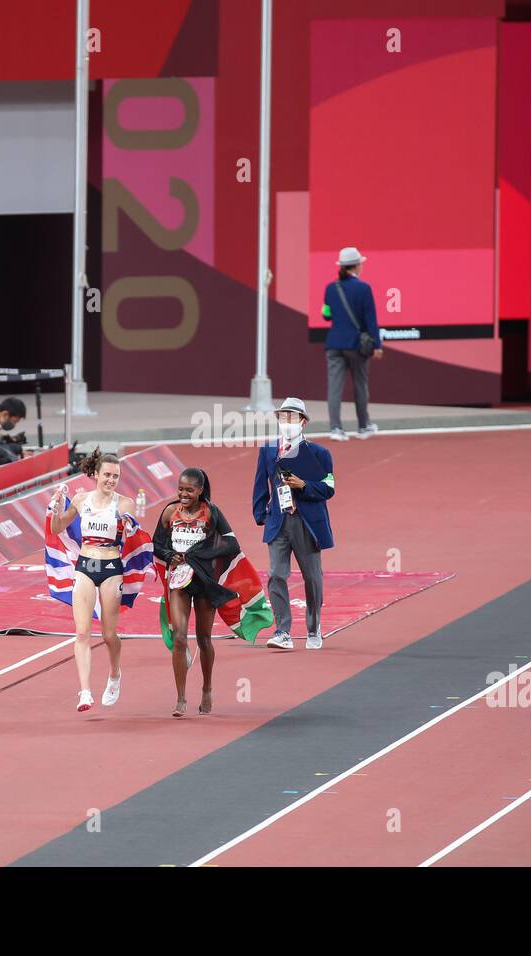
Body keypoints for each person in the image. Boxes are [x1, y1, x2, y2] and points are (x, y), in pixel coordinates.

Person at [152, 467, 271, 717]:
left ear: (200, 490)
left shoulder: (212, 513)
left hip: (205, 581)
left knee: (204, 638)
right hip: (179, 582)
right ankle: (181, 698)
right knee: (180, 637)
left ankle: (207, 688)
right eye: (180, 489)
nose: (183, 494)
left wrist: (200, 553)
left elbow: (231, 543)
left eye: (189, 490)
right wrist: (170, 555)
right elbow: (157, 544)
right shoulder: (170, 512)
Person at [48, 450, 138, 712]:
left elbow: (133, 531)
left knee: (109, 634)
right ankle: (85, 691)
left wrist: (129, 526)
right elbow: (57, 528)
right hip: (85, 566)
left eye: (116, 476)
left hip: (111, 567)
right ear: (96, 475)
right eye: (107, 475)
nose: (111, 480)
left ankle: (114, 674)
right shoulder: (80, 499)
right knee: (81, 631)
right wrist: (57, 508)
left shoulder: (124, 503)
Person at [253, 397, 335, 650]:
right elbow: (260, 486)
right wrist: (262, 516)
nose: (287, 422)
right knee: (276, 574)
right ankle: (282, 631)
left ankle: (313, 627)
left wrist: (304, 486)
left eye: (292, 417)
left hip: (307, 523)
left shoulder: (319, 453)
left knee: (312, 577)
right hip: (278, 522)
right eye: (283, 417)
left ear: (303, 422)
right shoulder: (268, 451)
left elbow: (328, 488)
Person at [322, 246, 383, 441]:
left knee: (334, 387)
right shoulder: (364, 288)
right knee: (360, 385)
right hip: (356, 345)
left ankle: (335, 428)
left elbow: (326, 315)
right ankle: (364, 426)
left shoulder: (331, 288)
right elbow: (371, 320)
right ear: (356, 266)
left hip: (334, 344)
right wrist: (377, 345)